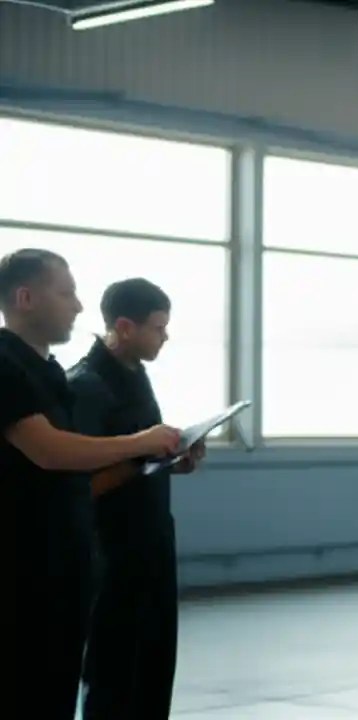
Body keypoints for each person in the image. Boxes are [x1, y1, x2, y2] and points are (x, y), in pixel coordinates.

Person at [0, 249, 180, 720]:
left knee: (59, 682)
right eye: (66, 294)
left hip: (67, 561)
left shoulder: (47, 371)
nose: (78, 306)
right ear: (25, 298)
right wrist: (139, 442)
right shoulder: (6, 367)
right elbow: (53, 450)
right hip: (26, 567)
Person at [68, 278, 205, 720]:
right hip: (112, 553)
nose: (165, 337)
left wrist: (173, 459)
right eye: (158, 327)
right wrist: (139, 458)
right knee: (114, 669)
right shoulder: (86, 386)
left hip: (151, 542)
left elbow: (140, 458)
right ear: (125, 327)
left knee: (153, 661)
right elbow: (79, 485)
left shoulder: (135, 375)